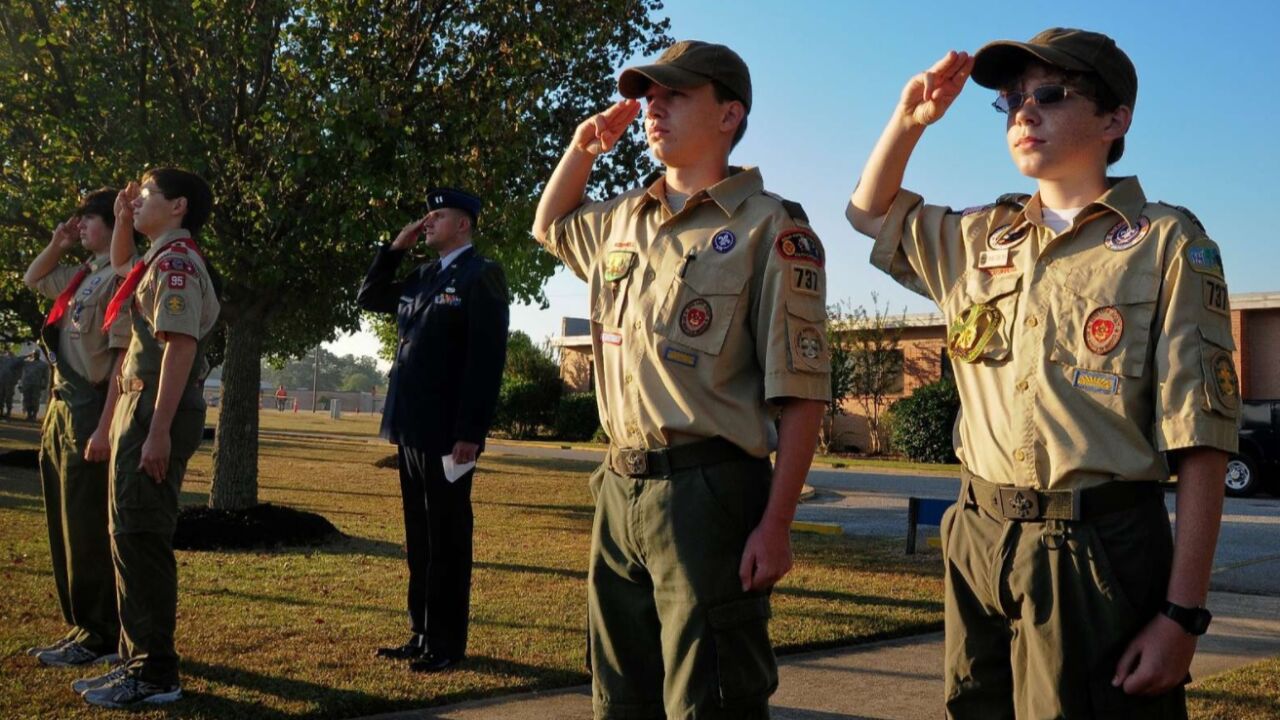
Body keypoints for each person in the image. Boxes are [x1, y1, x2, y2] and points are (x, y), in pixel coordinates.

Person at [847, 28, 1238, 719]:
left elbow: (1202, 442)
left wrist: (1183, 616)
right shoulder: (978, 236)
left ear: (1116, 119)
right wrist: (908, 122)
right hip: (979, 532)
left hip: (1095, 551)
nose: (1025, 112)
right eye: (1010, 100)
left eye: (1050, 95)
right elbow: (868, 212)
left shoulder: (1166, 242)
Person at [532, 40, 830, 720]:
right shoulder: (624, 219)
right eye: (649, 96)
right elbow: (549, 226)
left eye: (676, 94)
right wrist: (583, 148)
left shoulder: (770, 227)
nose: (653, 107)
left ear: (730, 114)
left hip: (709, 492)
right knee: (619, 695)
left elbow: (802, 391)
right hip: (619, 487)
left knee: (709, 699)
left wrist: (777, 523)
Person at [75, 168, 220, 709]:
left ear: (179, 205)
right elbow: (119, 266)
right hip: (138, 406)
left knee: (141, 534)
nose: (136, 201)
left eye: (147, 194)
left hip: (156, 410)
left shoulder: (177, 265)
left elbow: (178, 348)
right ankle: (136, 658)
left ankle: (156, 672)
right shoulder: (155, 259)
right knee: (127, 533)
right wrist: (121, 217)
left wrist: (157, 432)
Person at [358, 188, 509, 673]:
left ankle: (446, 643)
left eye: (437, 215)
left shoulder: (480, 276)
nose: (427, 222)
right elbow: (370, 297)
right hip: (411, 427)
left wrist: (471, 431)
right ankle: (420, 632)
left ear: (463, 224)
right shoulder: (423, 276)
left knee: (447, 538)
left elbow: (485, 361)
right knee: (419, 537)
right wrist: (394, 249)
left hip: (449, 433)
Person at [22, 189, 131, 669]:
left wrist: (105, 428)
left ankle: (100, 631)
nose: (80, 225)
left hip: (91, 408)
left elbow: (119, 363)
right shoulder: (86, 274)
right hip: (62, 407)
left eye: (89, 219)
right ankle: (80, 625)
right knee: (63, 524)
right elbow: (34, 277)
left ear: (113, 224)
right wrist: (58, 244)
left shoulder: (120, 278)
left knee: (87, 527)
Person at [20, 350, 51, 420]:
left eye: (37, 354)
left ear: (39, 355)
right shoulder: (27, 363)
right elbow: (22, 373)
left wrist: (45, 384)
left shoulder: (43, 364)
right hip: (27, 384)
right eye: (34, 353)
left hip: (36, 384)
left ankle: (34, 415)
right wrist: (27, 355)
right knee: (26, 399)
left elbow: (46, 376)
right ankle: (28, 414)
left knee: (35, 399)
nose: (35, 355)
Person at [0, 349, 17, 418]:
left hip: (10, 382)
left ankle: (8, 412)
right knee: (0, 397)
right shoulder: (2, 358)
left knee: (8, 397)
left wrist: (15, 380)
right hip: (1, 381)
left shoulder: (15, 359)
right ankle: (1, 411)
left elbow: (18, 371)